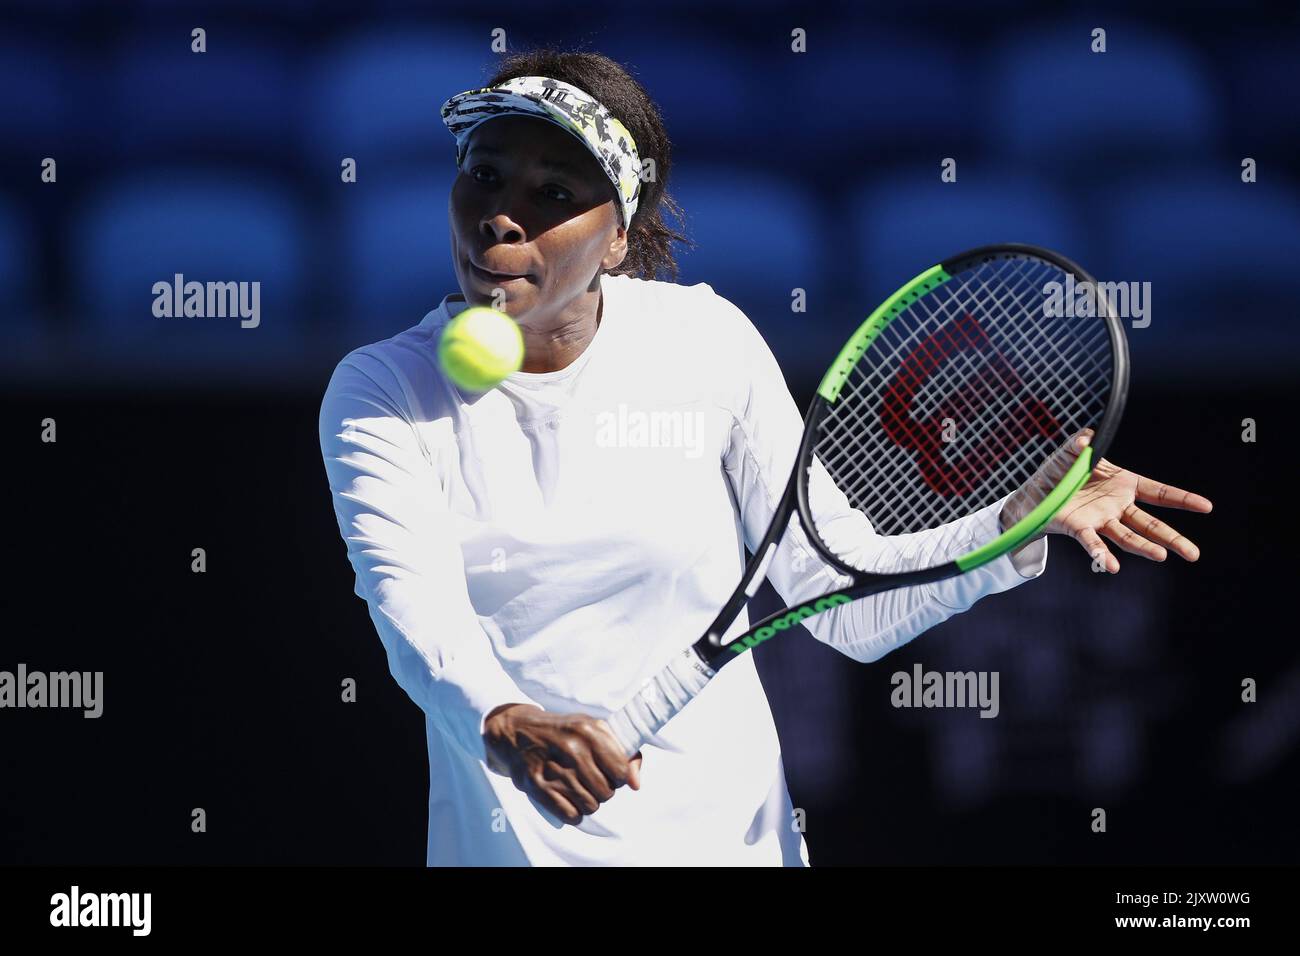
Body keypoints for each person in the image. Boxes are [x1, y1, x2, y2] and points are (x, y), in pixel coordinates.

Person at [318, 48, 1212, 866]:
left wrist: (1006, 529)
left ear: (619, 239)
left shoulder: (705, 342)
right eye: (484, 174)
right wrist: (505, 720)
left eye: (556, 192)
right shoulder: (381, 391)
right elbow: (416, 614)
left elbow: (844, 605)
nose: (501, 216)